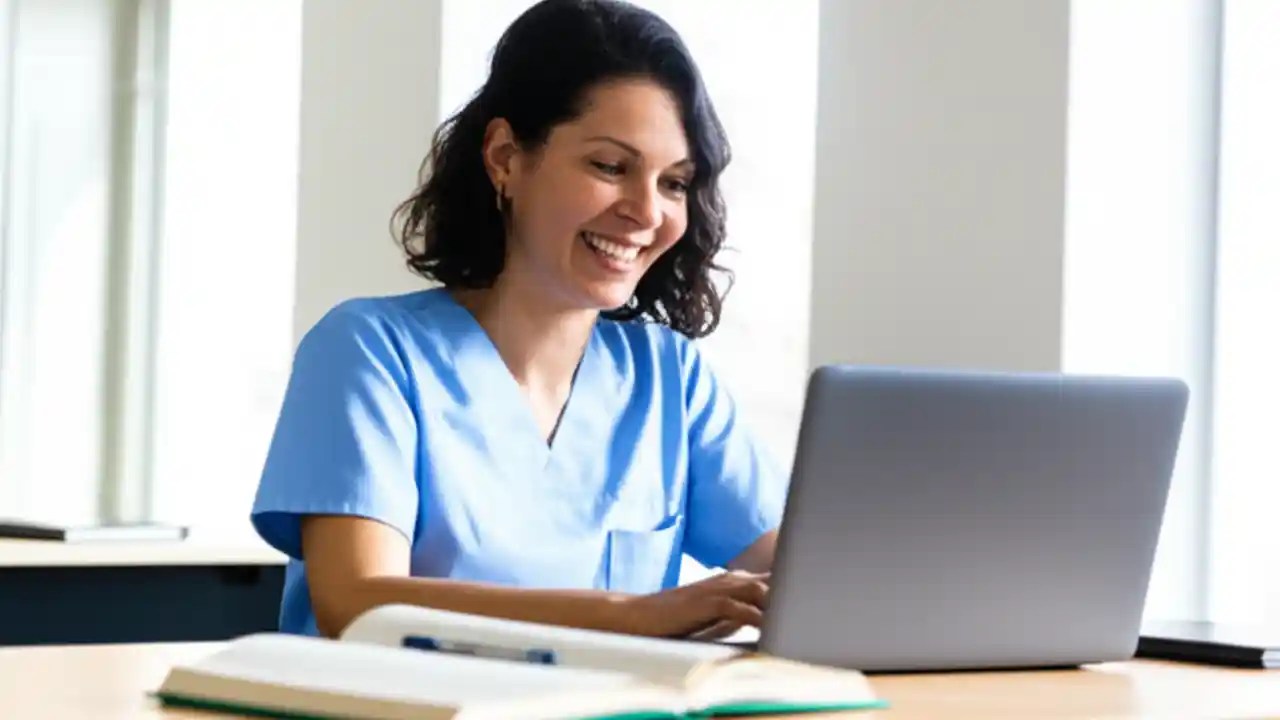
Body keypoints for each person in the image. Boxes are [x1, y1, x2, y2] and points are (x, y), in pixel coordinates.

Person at [250, 0, 787, 641]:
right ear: (505, 157)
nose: (647, 212)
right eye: (610, 167)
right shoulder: (370, 352)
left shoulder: (670, 377)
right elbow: (359, 605)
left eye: (674, 182)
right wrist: (634, 617)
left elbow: (815, 580)